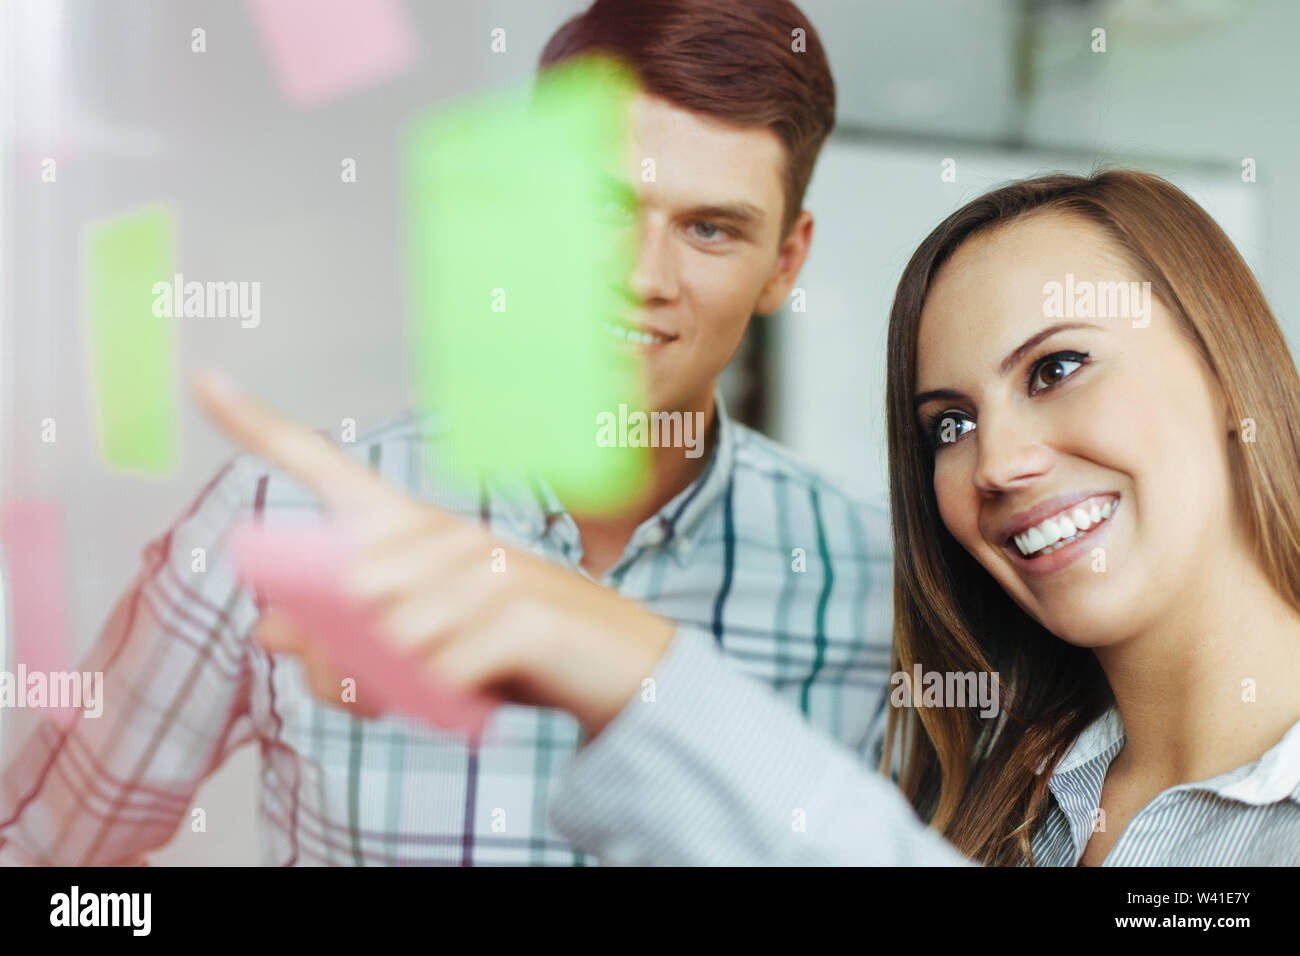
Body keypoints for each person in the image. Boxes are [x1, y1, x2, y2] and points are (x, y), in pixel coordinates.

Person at [0, 0, 896, 866]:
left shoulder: (876, 581)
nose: (641, 275)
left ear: (786, 263)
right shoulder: (283, 509)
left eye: (709, 229)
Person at [203, 169, 1300, 866]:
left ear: (1230, 378)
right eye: (946, 424)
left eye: (1058, 366)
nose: (998, 461)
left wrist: (625, 659)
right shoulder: (1011, 796)